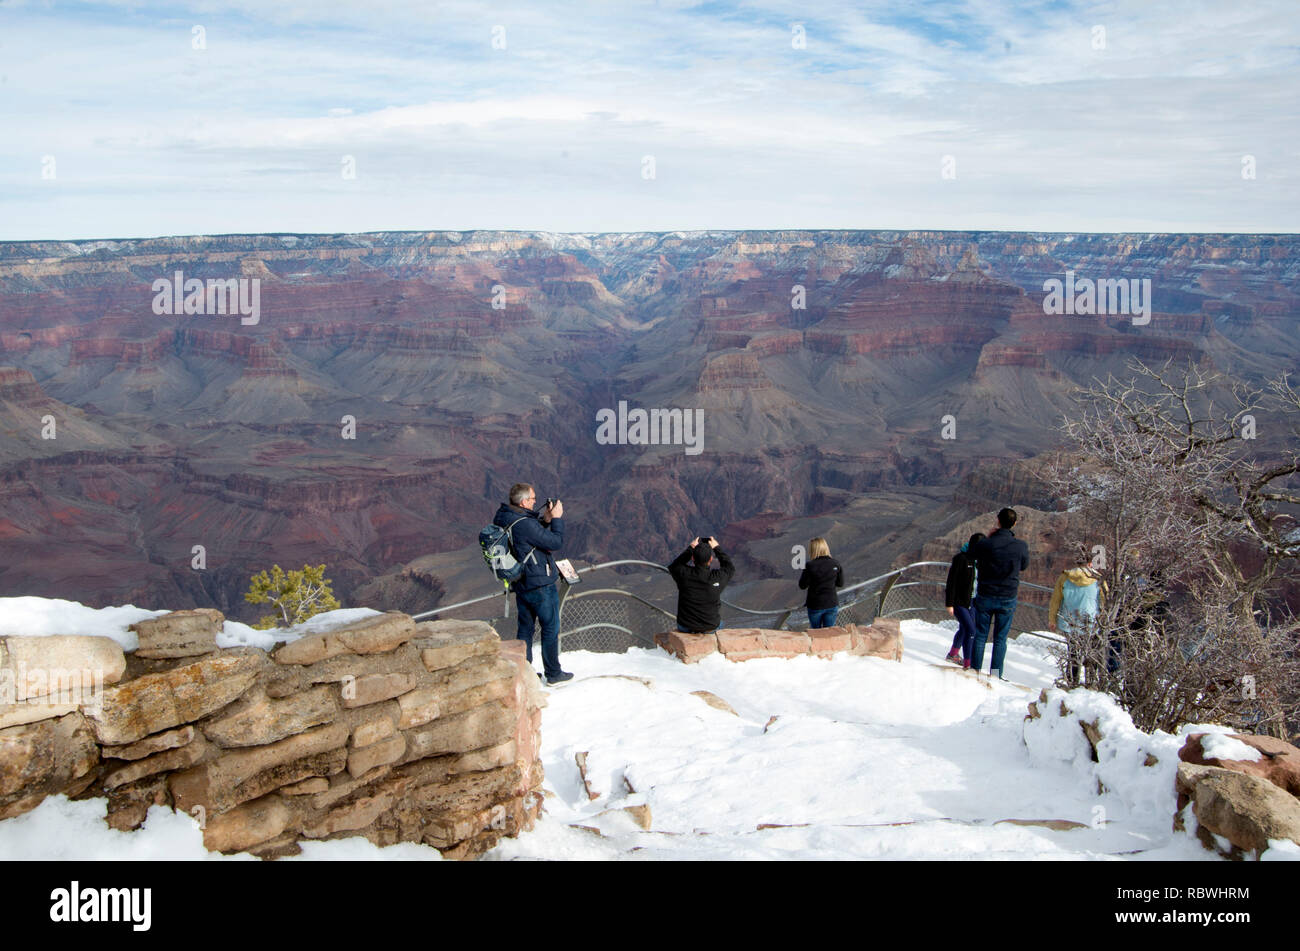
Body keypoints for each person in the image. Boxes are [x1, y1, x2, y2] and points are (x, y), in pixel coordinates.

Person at [492, 483, 573, 685]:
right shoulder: (524, 523)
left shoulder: (504, 516)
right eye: (533, 499)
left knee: (525, 629)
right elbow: (554, 542)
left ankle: (525, 672)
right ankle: (554, 674)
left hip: (520, 582)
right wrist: (556, 519)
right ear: (523, 501)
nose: (536, 501)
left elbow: (527, 538)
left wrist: (544, 520)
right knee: (550, 628)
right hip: (540, 584)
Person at [969, 508, 1030, 680]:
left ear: (998, 520)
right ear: (1015, 523)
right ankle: (995, 676)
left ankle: (975, 672)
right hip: (1007, 597)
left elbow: (972, 555)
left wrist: (989, 538)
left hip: (985, 594)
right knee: (1000, 639)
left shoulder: (985, 544)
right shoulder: (1021, 546)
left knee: (981, 635)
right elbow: (1024, 566)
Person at [1048, 558, 1105, 686]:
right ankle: (1091, 683)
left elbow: (1055, 600)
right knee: (1091, 654)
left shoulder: (1065, 577)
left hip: (1070, 622)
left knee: (1073, 653)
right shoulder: (1098, 579)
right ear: (1090, 564)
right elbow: (1104, 600)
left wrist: (1052, 619)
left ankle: (1072, 682)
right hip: (1092, 623)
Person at [667, 536, 735, 634]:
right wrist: (717, 548)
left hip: (686, 626)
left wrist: (691, 548)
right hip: (710, 626)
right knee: (721, 623)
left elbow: (674, 566)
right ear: (711, 559)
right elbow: (729, 568)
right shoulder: (716, 577)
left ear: (693, 558)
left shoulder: (684, 574)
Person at [944, 532, 984, 668]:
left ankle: (952, 654)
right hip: (959, 602)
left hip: (972, 601)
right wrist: (949, 604)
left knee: (964, 628)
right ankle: (968, 663)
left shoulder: (978, 560)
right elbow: (951, 582)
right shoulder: (961, 559)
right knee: (971, 630)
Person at [798, 536, 845, 629]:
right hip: (831, 603)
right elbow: (840, 583)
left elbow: (802, 585)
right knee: (829, 632)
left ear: (813, 549)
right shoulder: (835, 563)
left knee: (816, 633)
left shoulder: (810, 565)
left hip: (816, 604)